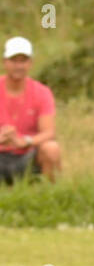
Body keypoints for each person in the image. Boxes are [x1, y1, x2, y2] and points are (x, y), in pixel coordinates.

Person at [0, 36, 60, 184]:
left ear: (30, 63)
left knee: (51, 148)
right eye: (14, 60)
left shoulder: (41, 92)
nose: (18, 66)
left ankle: (48, 196)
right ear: (5, 62)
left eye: (23, 61)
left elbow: (49, 132)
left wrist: (24, 141)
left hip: (27, 155)